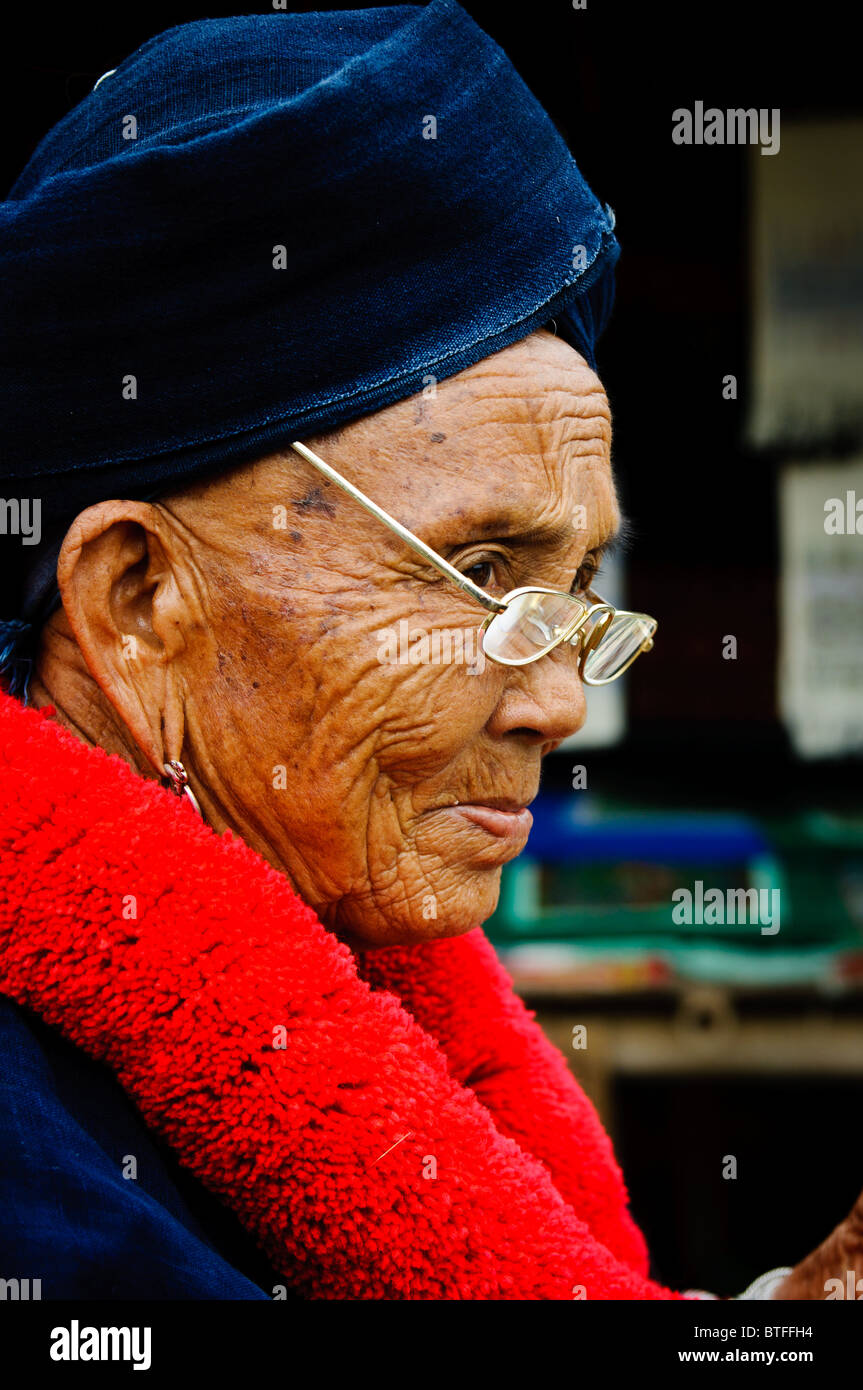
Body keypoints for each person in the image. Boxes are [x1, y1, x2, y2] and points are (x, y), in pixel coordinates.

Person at [1, 4, 858, 1300]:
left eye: (581, 591)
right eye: (483, 573)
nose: (561, 702)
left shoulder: (335, 948)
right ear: (140, 597)